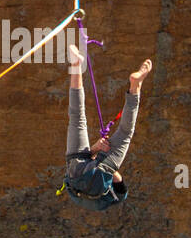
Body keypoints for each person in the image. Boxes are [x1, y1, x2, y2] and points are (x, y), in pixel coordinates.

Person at [60, 42, 152, 210]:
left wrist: (103, 153)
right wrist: (95, 149)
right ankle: (76, 65)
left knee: (125, 132)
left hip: (98, 175)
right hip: (75, 169)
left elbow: (115, 178)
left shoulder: (116, 197)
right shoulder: (77, 197)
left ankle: (135, 85)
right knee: (76, 117)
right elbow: (87, 162)